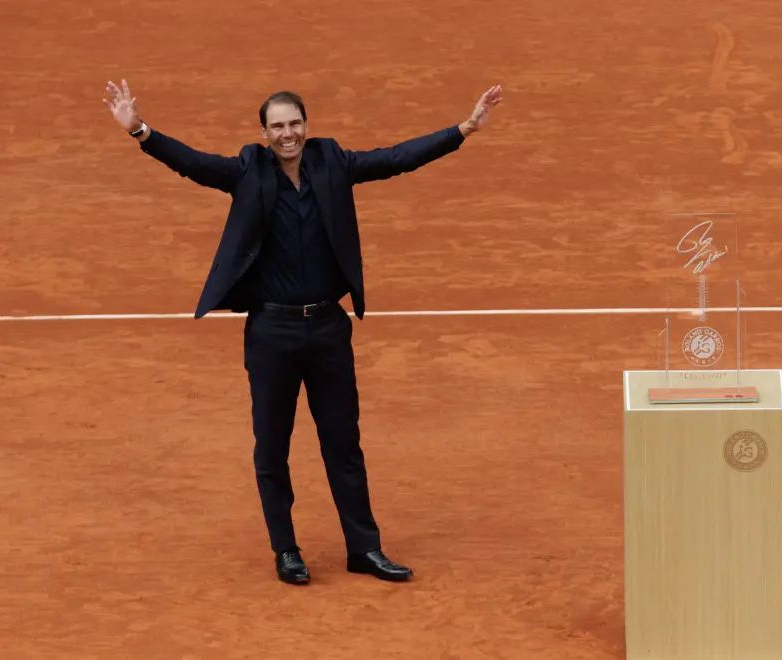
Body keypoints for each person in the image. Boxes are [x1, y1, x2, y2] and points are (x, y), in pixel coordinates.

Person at [102, 78, 502, 585]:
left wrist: (463, 129)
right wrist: (140, 129)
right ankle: (286, 549)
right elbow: (194, 164)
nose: (287, 134)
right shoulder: (248, 169)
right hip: (272, 332)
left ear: (306, 127)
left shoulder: (332, 161)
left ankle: (364, 549)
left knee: (344, 443)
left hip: (329, 330)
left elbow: (395, 158)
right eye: (278, 127)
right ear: (264, 133)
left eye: (295, 124)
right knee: (272, 445)